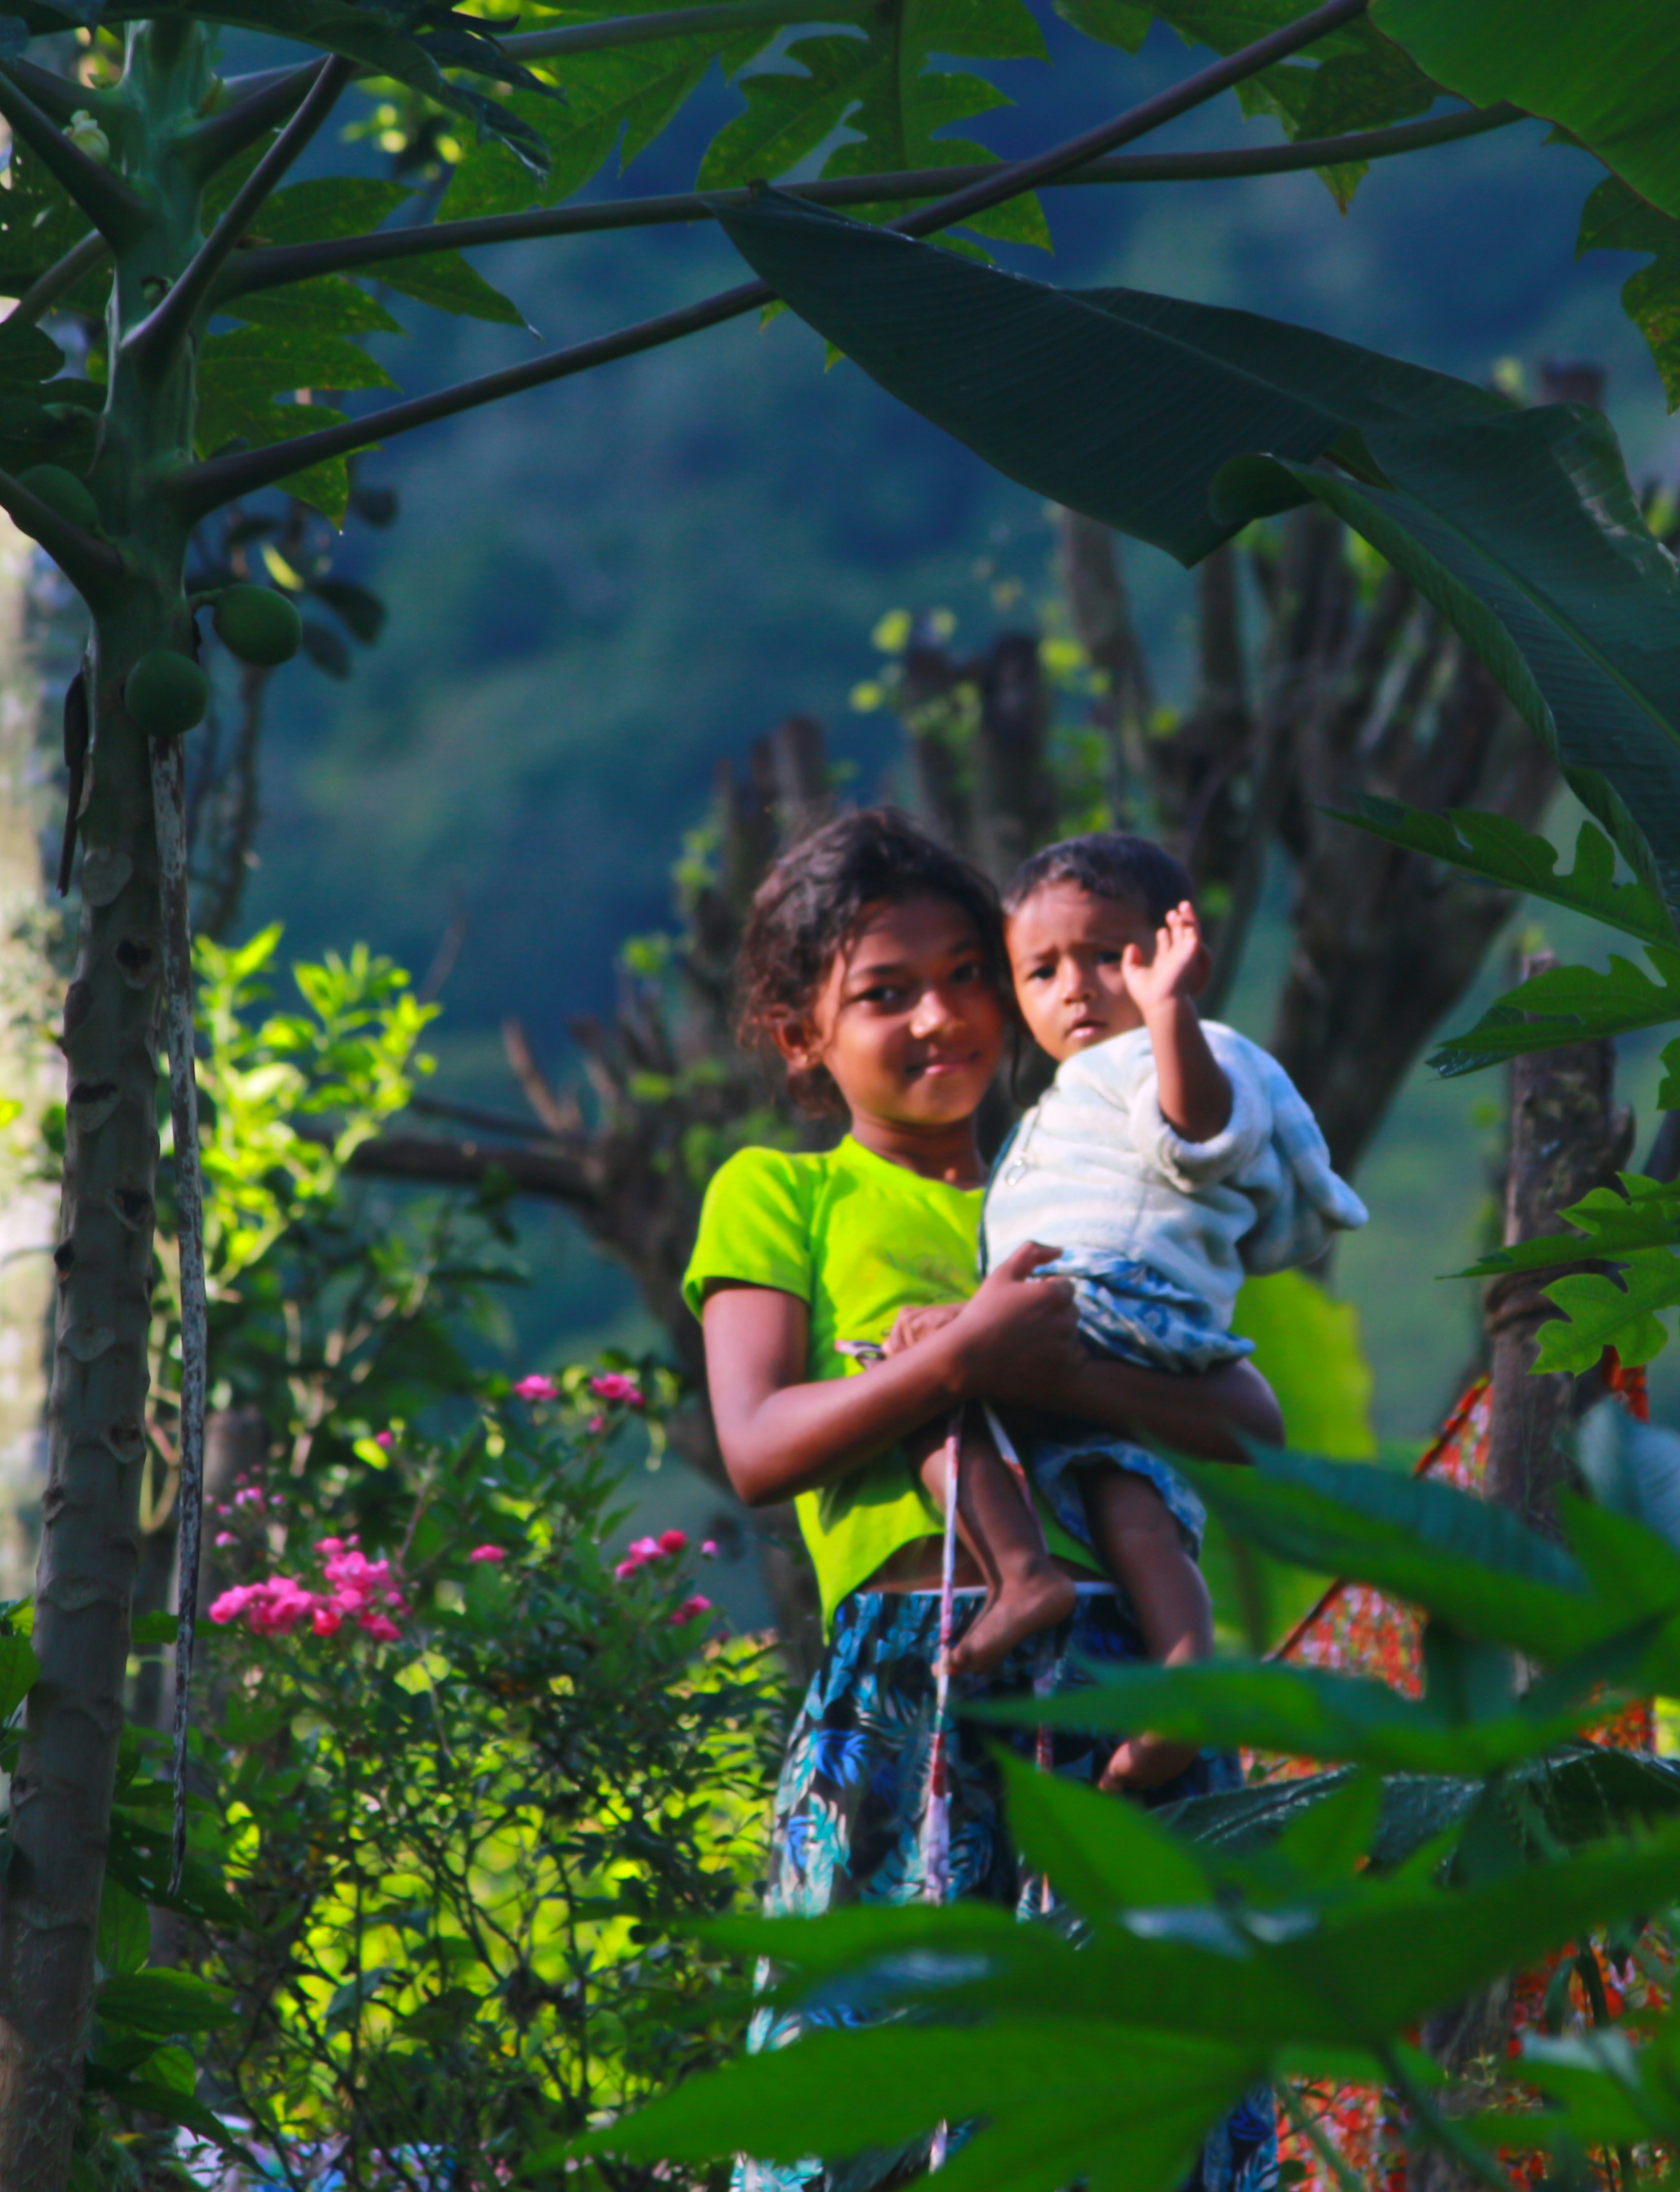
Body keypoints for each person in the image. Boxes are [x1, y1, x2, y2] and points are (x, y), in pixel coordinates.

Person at [687, 807, 1280, 2192]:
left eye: (969, 975)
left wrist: (1051, 1358)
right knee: (870, 2112)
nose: (942, 1017)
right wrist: (963, 1353)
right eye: (884, 994)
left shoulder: (1082, 1174)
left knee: (1142, 2106)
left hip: (1136, 1695)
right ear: (798, 1036)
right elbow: (763, 1442)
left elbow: (1249, 1421)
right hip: (916, 1688)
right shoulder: (783, 1192)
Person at [908, 833, 1367, 1785]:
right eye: (1040, 971)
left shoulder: (1174, 1053)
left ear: (1168, 949)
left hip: (1112, 1300)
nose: (1074, 988)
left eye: (1107, 957)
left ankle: (1020, 1571)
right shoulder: (1069, 1094)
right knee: (1129, 1497)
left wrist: (1171, 1015)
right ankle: (1185, 1677)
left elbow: (1199, 1131)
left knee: (919, 1390)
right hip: (1130, 1328)